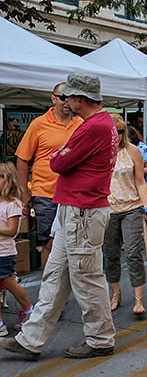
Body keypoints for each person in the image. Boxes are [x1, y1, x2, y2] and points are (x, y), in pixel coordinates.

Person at [2, 72, 118, 361]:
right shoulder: (98, 124)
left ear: (80, 99)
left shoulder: (92, 127)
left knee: (85, 278)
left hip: (83, 209)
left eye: (68, 97)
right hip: (75, 207)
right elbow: (61, 160)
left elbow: (58, 161)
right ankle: (31, 338)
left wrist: (59, 157)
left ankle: (101, 338)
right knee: (56, 276)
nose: (65, 101)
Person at [14, 82, 82, 267]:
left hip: (74, 194)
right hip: (46, 193)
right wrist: (24, 192)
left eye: (71, 97)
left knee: (74, 245)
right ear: (53, 99)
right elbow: (22, 158)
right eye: (62, 97)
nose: (67, 102)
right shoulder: (39, 124)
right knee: (50, 244)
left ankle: (65, 289)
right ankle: (50, 293)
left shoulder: (80, 123)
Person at [104, 116, 147, 317]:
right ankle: (115, 292)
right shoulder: (100, 152)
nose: (117, 136)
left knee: (133, 251)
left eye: (121, 131)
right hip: (107, 209)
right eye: (113, 131)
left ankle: (138, 297)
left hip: (132, 206)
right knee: (110, 253)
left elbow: (140, 181)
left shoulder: (133, 151)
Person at [0, 162, 33, 337]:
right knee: (6, 284)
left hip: (4, 252)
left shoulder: (12, 205)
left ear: (9, 180)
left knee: (10, 283)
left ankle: (28, 309)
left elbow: (12, 231)